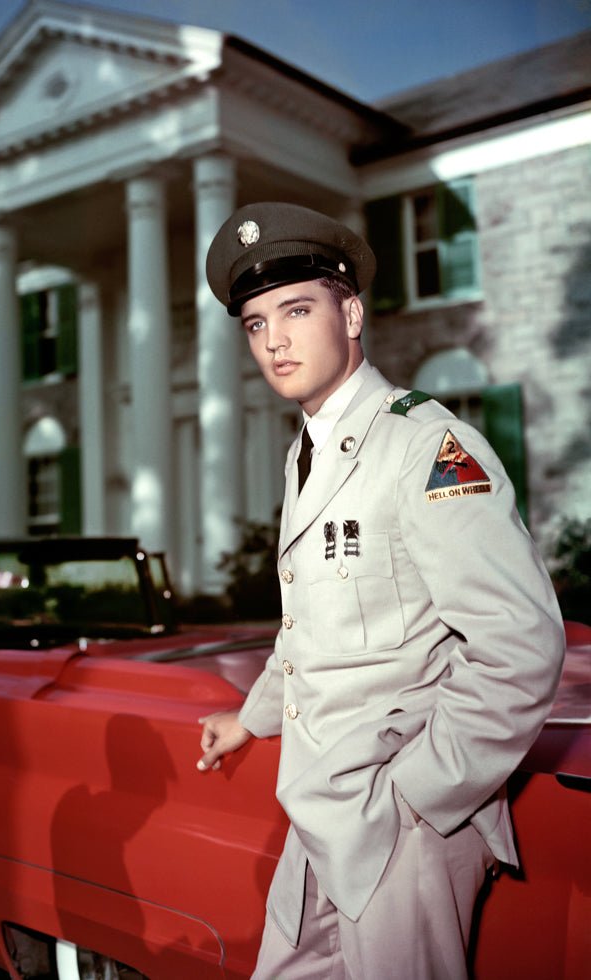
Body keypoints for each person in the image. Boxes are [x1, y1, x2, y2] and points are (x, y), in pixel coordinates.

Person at [196, 202, 565, 979]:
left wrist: (417, 798)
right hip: (324, 807)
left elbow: (520, 645)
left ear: (352, 311)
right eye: (256, 324)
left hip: (402, 826)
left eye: (296, 311)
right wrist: (251, 719)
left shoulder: (425, 446)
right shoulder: (309, 453)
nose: (275, 341)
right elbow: (314, 626)